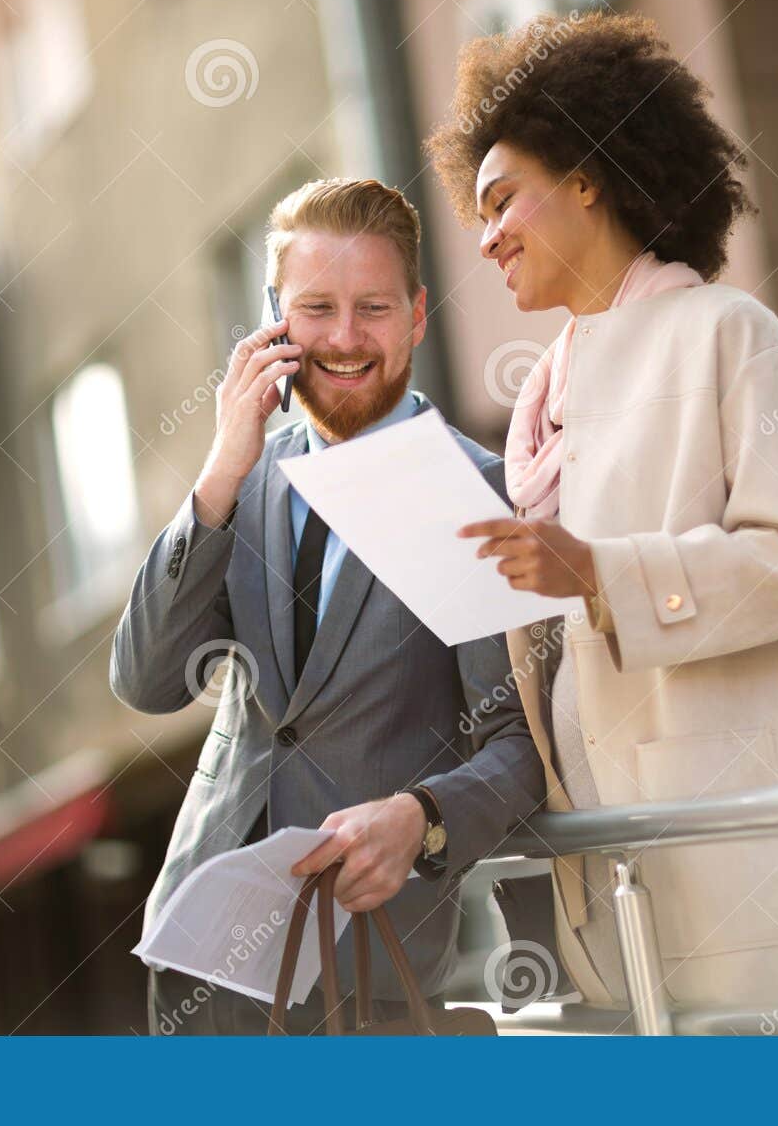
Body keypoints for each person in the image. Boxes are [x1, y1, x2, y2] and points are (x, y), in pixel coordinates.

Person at [428, 12, 778, 1013]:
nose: (483, 239)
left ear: (586, 176)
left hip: (758, 875)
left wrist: (600, 573)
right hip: (623, 883)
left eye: (501, 200)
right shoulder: (539, 406)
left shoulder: (729, 336)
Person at [111, 178, 545, 1035]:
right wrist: (217, 479)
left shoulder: (473, 494)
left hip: (363, 977)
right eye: (317, 308)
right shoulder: (247, 482)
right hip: (198, 974)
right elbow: (147, 680)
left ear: (418, 315)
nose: (345, 339)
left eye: (373, 308)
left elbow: (527, 741)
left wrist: (423, 819)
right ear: (273, 318)